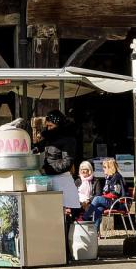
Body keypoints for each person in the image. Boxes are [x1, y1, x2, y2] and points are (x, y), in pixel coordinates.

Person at [36, 111, 81, 261]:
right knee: (50, 217)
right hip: (49, 179)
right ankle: (52, 251)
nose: (48, 128)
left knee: (63, 219)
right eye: (47, 126)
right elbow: (37, 148)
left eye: (51, 125)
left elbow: (67, 163)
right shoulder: (49, 138)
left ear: (58, 124)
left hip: (62, 180)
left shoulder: (69, 139)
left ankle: (65, 253)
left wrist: (47, 169)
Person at [86, 157, 127, 225]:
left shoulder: (116, 177)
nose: (103, 169)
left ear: (110, 167)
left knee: (97, 198)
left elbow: (115, 193)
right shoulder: (109, 177)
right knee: (98, 209)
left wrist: (103, 197)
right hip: (110, 202)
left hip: (117, 203)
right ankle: (95, 232)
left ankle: (85, 217)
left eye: (105, 167)